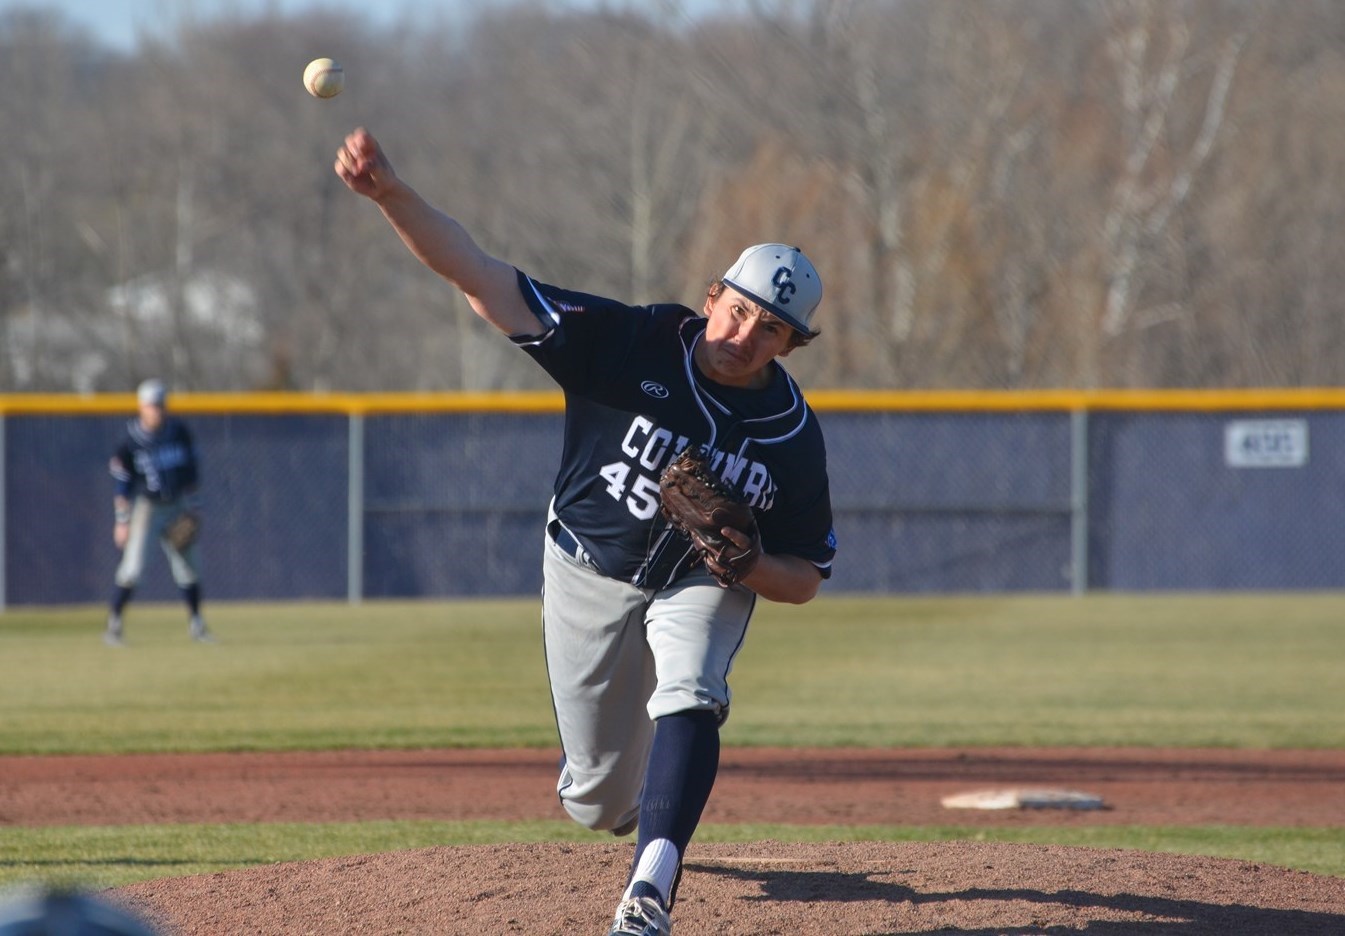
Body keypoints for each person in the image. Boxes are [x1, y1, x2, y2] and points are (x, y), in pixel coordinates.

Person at [335, 127, 836, 936]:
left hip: (700, 581)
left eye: (769, 329)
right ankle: (639, 807)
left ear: (791, 344)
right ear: (712, 298)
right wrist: (391, 193)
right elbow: (480, 277)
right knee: (595, 800)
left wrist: (746, 564)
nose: (744, 337)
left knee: (692, 690)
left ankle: (652, 886)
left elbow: (805, 576)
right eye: (738, 311)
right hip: (585, 567)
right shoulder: (629, 340)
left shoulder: (790, 435)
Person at [105, 378, 212, 646]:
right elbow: (123, 485)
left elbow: (191, 474)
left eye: (161, 405)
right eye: (153, 406)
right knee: (132, 570)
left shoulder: (178, 433)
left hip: (177, 506)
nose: (158, 410)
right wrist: (122, 522)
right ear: (142, 407)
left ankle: (197, 624)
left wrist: (195, 507)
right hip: (148, 509)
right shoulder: (131, 442)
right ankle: (114, 625)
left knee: (189, 568)